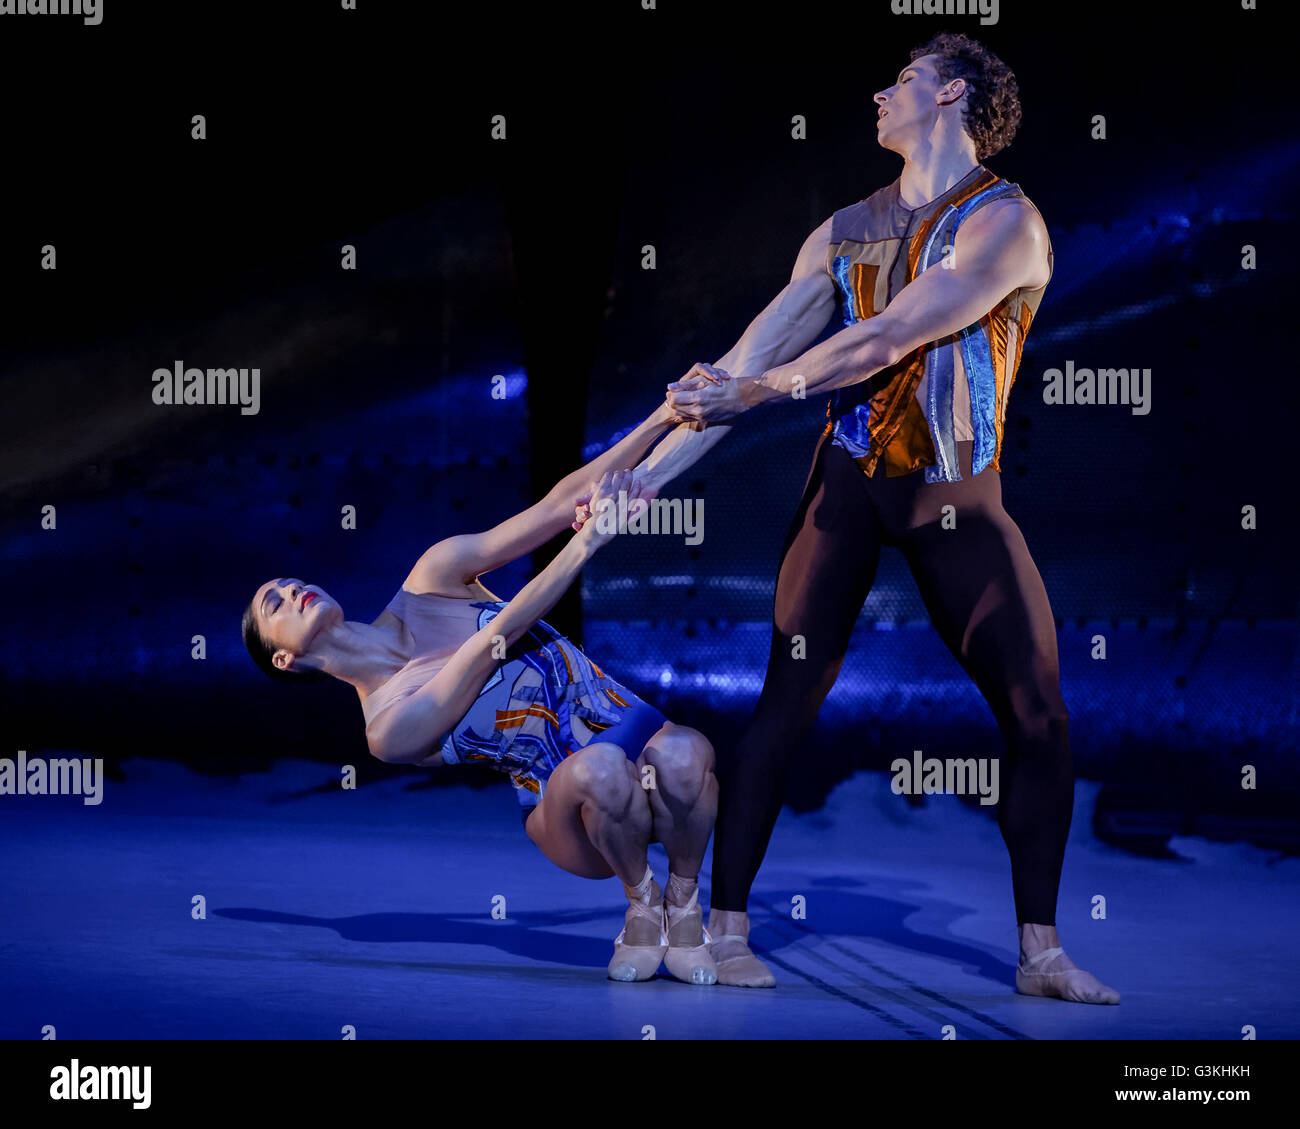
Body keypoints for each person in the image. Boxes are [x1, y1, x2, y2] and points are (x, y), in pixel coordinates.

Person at [664, 32, 1120, 1004]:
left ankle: (1040, 950)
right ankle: (727, 924)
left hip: (952, 494)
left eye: (900, 79)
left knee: (1038, 714)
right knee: (781, 703)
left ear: (950, 94)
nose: (878, 92)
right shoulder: (841, 228)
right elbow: (764, 343)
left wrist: (752, 395)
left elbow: (890, 331)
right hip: (846, 486)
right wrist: (705, 397)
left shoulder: (1006, 224)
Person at [241, 398, 731, 985]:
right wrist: (589, 541)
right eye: (277, 601)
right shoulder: (386, 725)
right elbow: (495, 639)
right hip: (568, 802)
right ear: (284, 657)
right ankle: (641, 906)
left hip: (628, 726)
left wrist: (660, 419)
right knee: (601, 768)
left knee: (687, 754)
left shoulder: (433, 576)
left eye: (294, 581)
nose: (296, 590)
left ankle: (682, 907)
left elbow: (558, 505)